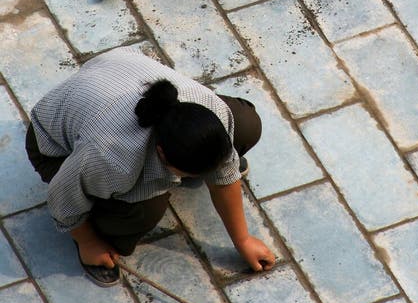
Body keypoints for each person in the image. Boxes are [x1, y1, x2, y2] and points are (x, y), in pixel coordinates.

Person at [25, 47, 275, 287]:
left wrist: (242, 239)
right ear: (162, 155)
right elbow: (62, 198)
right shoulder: (111, 158)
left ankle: (199, 163)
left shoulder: (212, 108)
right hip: (52, 142)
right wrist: (88, 242)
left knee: (246, 124)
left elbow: (226, 176)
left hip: (111, 75)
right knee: (146, 210)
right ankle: (99, 231)